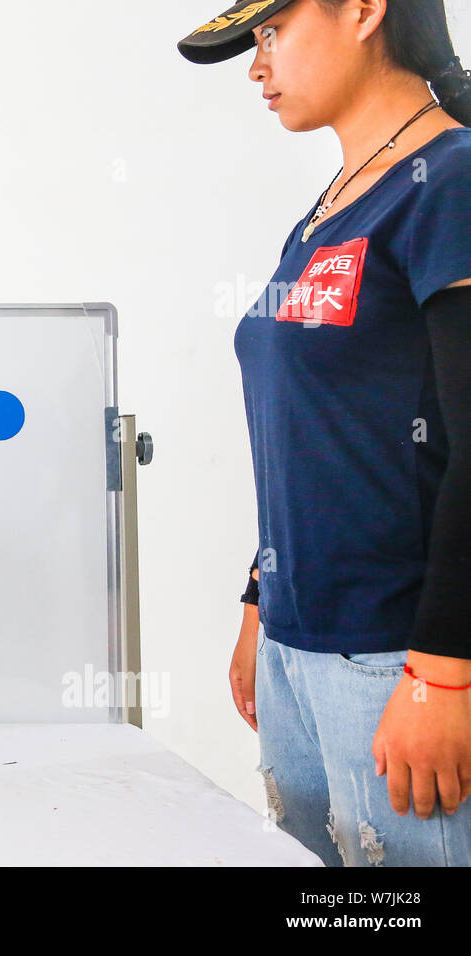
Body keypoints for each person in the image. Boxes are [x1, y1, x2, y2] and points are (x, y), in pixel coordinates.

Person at [178, 0, 471, 866]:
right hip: (298, 646)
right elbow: (320, 426)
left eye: (271, 32)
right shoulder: (329, 209)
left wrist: (444, 668)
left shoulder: (450, 178)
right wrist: (261, 596)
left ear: (364, 11)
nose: (256, 66)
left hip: (400, 654)